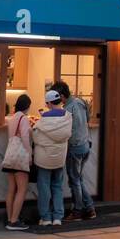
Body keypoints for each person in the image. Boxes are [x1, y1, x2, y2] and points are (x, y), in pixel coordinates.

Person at [31, 88, 72, 227]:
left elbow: (36, 138)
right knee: (57, 187)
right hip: (60, 158)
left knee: (44, 188)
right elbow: (67, 135)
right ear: (60, 101)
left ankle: (46, 217)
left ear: (48, 103)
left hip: (44, 159)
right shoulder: (68, 116)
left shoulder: (43, 120)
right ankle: (58, 217)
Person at [59, 80, 97, 221]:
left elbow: (65, 131)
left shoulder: (68, 110)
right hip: (86, 144)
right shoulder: (80, 102)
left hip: (74, 147)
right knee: (78, 179)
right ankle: (90, 208)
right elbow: (86, 120)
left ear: (62, 96)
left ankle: (78, 211)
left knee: (75, 180)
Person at [2, 94, 33, 230]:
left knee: (11, 189)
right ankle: (14, 221)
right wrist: (29, 153)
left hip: (10, 156)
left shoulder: (12, 118)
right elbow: (25, 138)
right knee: (22, 189)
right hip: (20, 158)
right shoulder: (24, 118)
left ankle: (9, 218)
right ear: (27, 106)